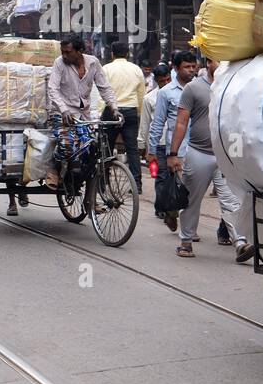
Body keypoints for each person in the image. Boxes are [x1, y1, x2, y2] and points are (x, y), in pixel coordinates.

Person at [166, 57, 251, 261]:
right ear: (207, 64)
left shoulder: (234, 86)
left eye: (224, 62)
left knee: (232, 201)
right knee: (191, 200)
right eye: (216, 61)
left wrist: (237, 156)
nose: (221, 65)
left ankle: (240, 242)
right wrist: (173, 153)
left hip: (226, 155)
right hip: (198, 153)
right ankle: (186, 242)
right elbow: (181, 122)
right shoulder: (193, 88)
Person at [46, 36, 119, 190]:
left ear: (80, 51)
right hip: (61, 113)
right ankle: (54, 166)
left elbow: (104, 87)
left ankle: (90, 199)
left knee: (92, 152)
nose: (64, 55)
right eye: (62, 52)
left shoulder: (93, 63)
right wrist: (63, 109)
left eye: (68, 52)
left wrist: (114, 107)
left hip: (83, 115)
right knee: (67, 145)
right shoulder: (59, 63)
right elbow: (52, 88)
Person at [150, 51, 195, 225]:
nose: (191, 70)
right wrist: (152, 150)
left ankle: (187, 227)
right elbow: (158, 123)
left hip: (198, 148)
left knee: (193, 190)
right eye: (187, 66)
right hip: (177, 150)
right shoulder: (166, 93)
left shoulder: (200, 88)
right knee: (181, 187)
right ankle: (176, 216)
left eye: (193, 66)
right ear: (176, 68)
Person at [102, 41, 146, 193]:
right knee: (132, 149)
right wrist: (138, 113)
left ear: (112, 54)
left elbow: (101, 93)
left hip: (110, 111)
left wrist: (100, 113)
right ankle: (137, 184)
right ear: (127, 54)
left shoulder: (106, 69)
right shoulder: (136, 70)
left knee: (106, 148)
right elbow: (141, 95)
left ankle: (103, 182)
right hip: (130, 110)